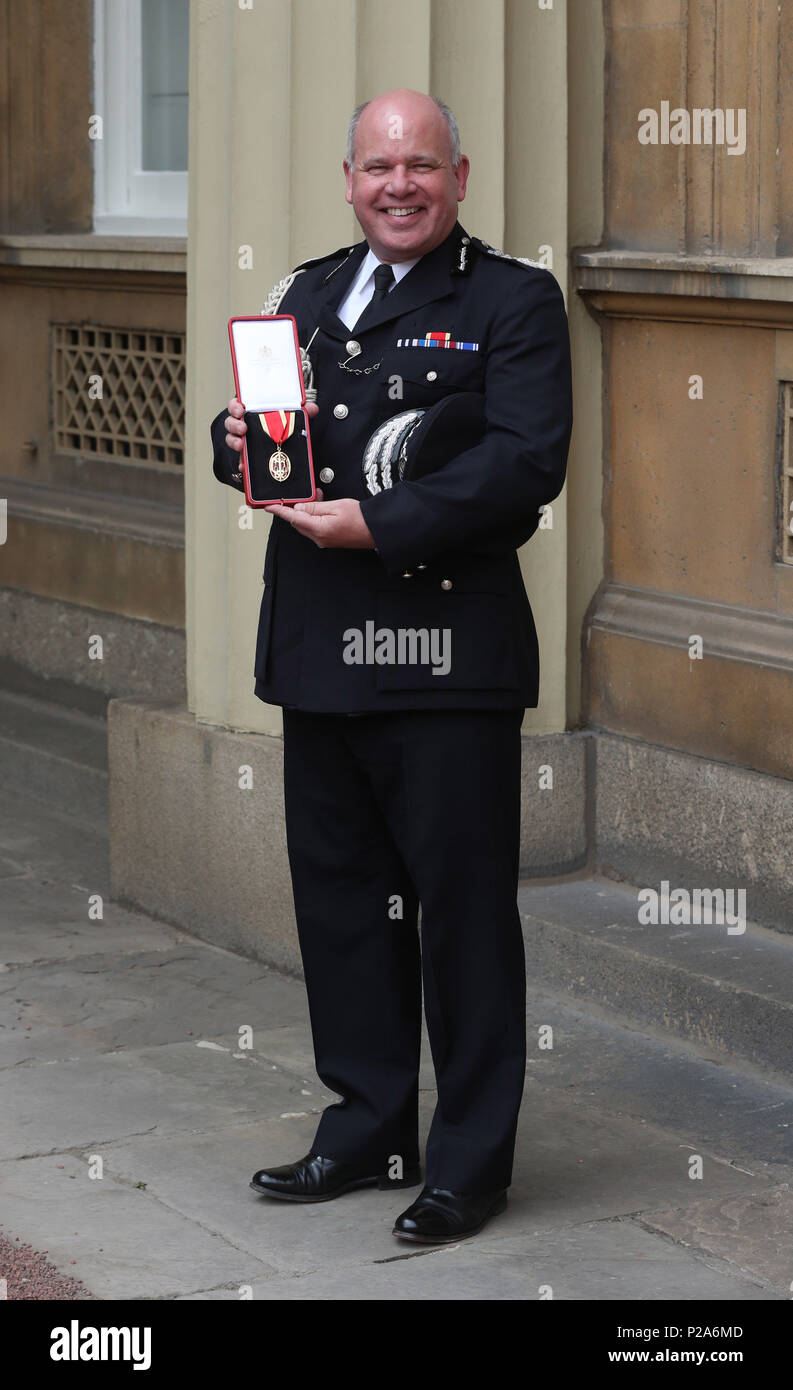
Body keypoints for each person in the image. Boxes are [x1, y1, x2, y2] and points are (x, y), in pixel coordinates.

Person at [210, 89, 573, 1244]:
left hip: (444, 656)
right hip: (321, 647)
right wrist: (239, 450)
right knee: (343, 908)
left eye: (421, 165)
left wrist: (380, 522)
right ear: (350, 179)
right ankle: (366, 1124)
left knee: (460, 914)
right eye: (378, 167)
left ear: (459, 177)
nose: (398, 185)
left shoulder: (513, 299)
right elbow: (281, 452)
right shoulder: (307, 295)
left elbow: (524, 464)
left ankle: (467, 1162)